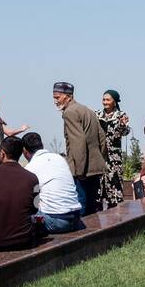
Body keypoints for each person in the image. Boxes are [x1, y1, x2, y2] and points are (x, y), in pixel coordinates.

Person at [53, 81, 107, 215]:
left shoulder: (70, 112)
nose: (55, 101)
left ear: (68, 96)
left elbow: (78, 142)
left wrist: (80, 170)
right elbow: (102, 138)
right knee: (92, 207)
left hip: (81, 169)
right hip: (95, 167)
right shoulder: (87, 110)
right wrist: (100, 159)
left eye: (57, 97)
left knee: (81, 206)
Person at [21, 132, 84, 234]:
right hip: (76, 217)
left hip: (55, 221)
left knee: (23, 219)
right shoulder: (60, 158)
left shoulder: (30, 167)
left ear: (24, 151)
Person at [97, 90, 131, 208]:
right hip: (99, 155)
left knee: (114, 185)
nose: (105, 102)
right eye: (103, 99)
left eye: (108, 100)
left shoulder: (121, 115)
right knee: (98, 187)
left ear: (114, 102)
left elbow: (125, 132)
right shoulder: (97, 115)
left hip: (113, 157)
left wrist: (122, 125)